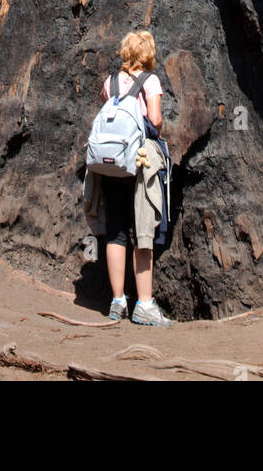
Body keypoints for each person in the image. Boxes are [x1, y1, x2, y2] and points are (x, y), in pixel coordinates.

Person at [99, 29, 173, 326]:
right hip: (141, 161)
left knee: (116, 230)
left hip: (112, 162)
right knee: (143, 232)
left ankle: (117, 302)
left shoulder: (110, 81)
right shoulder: (150, 81)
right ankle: (143, 305)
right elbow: (154, 120)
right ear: (147, 53)